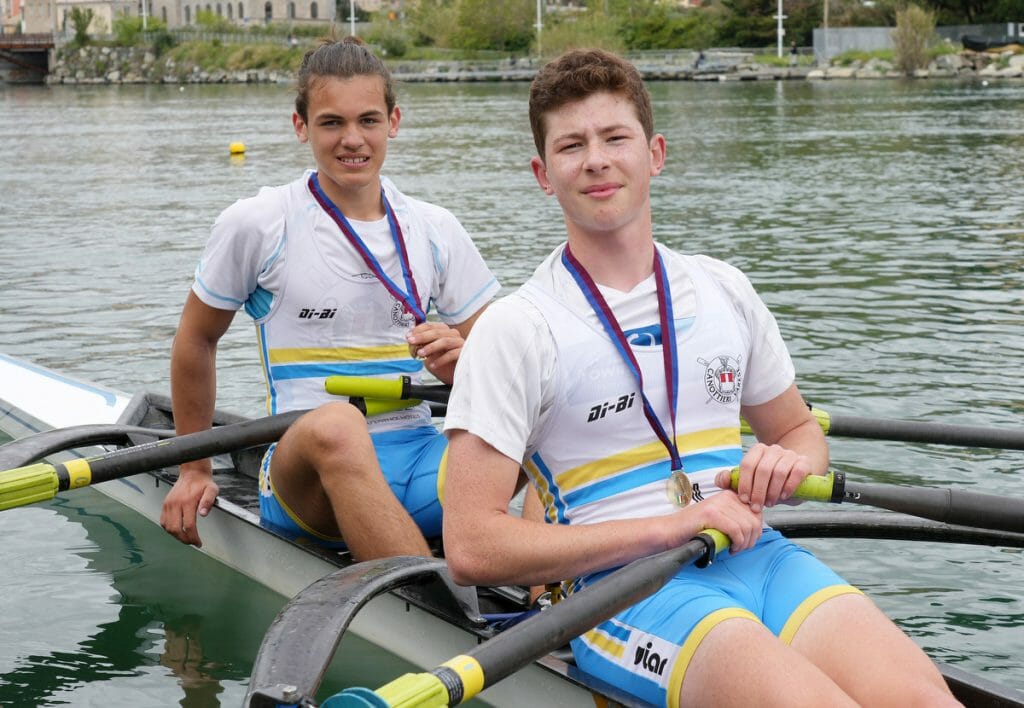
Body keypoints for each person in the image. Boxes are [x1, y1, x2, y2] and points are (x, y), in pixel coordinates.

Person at [442, 48, 960, 707]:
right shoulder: (518, 328)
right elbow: (471, 545)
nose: (596, 159)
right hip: (620, 590)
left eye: (615, 137)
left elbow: (800, 433)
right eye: (572, 145)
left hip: (759, 560)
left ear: (655, 154)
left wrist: (784, 466)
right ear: (544, 174)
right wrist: (669, 528)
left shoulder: (723, 289)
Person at [160, 37, 499, 561]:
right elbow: (196, 338)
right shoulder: (260, 223)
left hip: (420, 461)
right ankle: (431, 611)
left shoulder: (434, 228)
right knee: (339, 423)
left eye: (368, 120)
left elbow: (508, 359)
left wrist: (465, 359)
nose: (352, 140)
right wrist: (193, 469)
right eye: (331, 123)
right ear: (301, 127)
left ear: (394, 121)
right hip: (308, 481)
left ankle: (551, 592)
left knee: (541, 409)